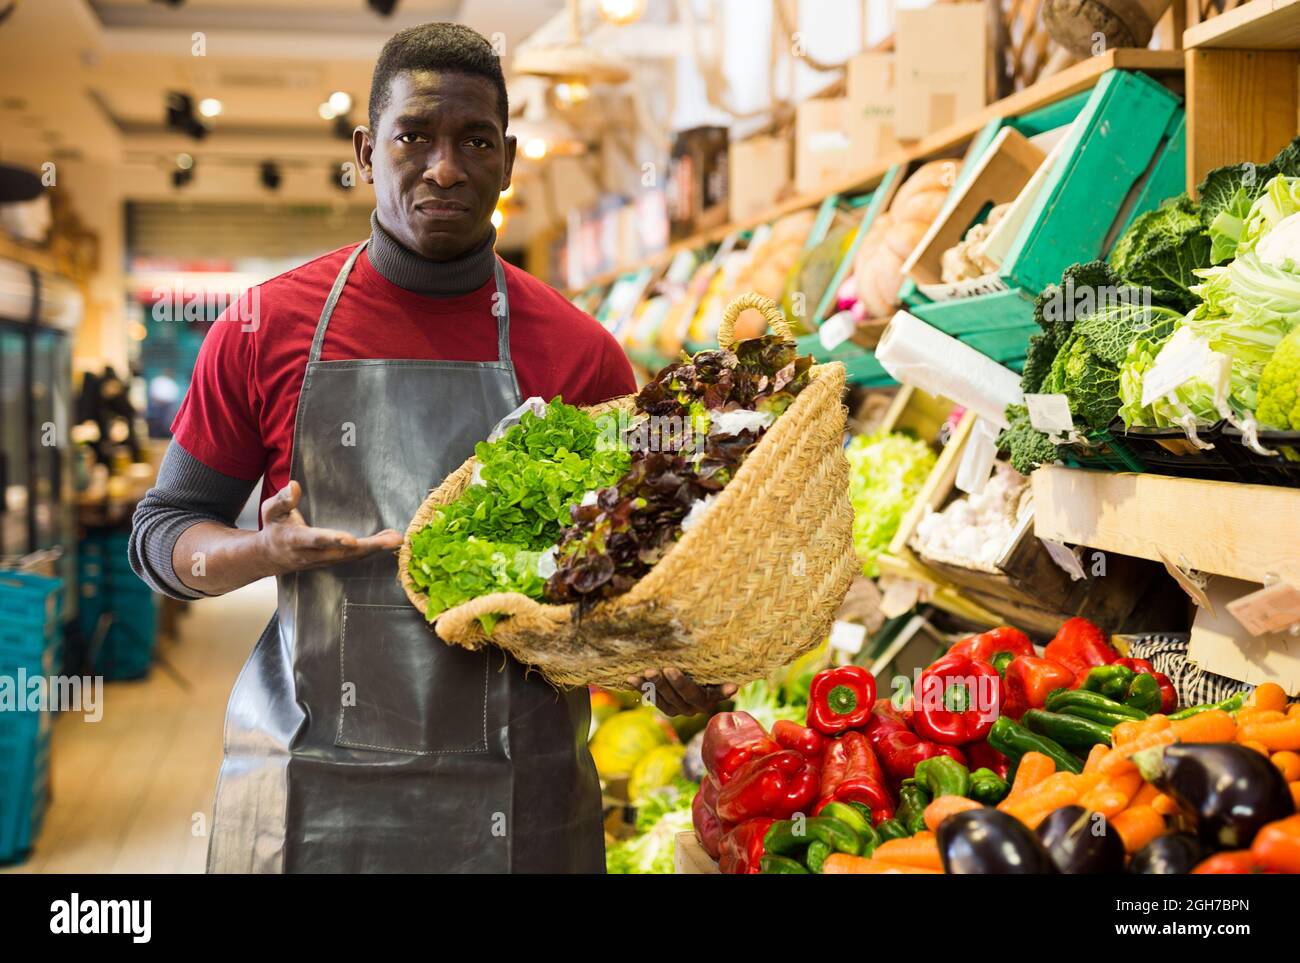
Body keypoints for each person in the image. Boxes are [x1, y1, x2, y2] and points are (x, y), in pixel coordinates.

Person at [130, 22, 734, 874]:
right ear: (367, 150)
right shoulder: (264, 329)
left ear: (509, 159)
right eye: (415, 135)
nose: (444, 168)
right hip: (311, 793)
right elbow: (162, 533)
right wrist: (257, 552)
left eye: (474, 140)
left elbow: (624, 587)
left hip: (519, 803)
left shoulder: (582, 353)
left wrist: (665, 670)